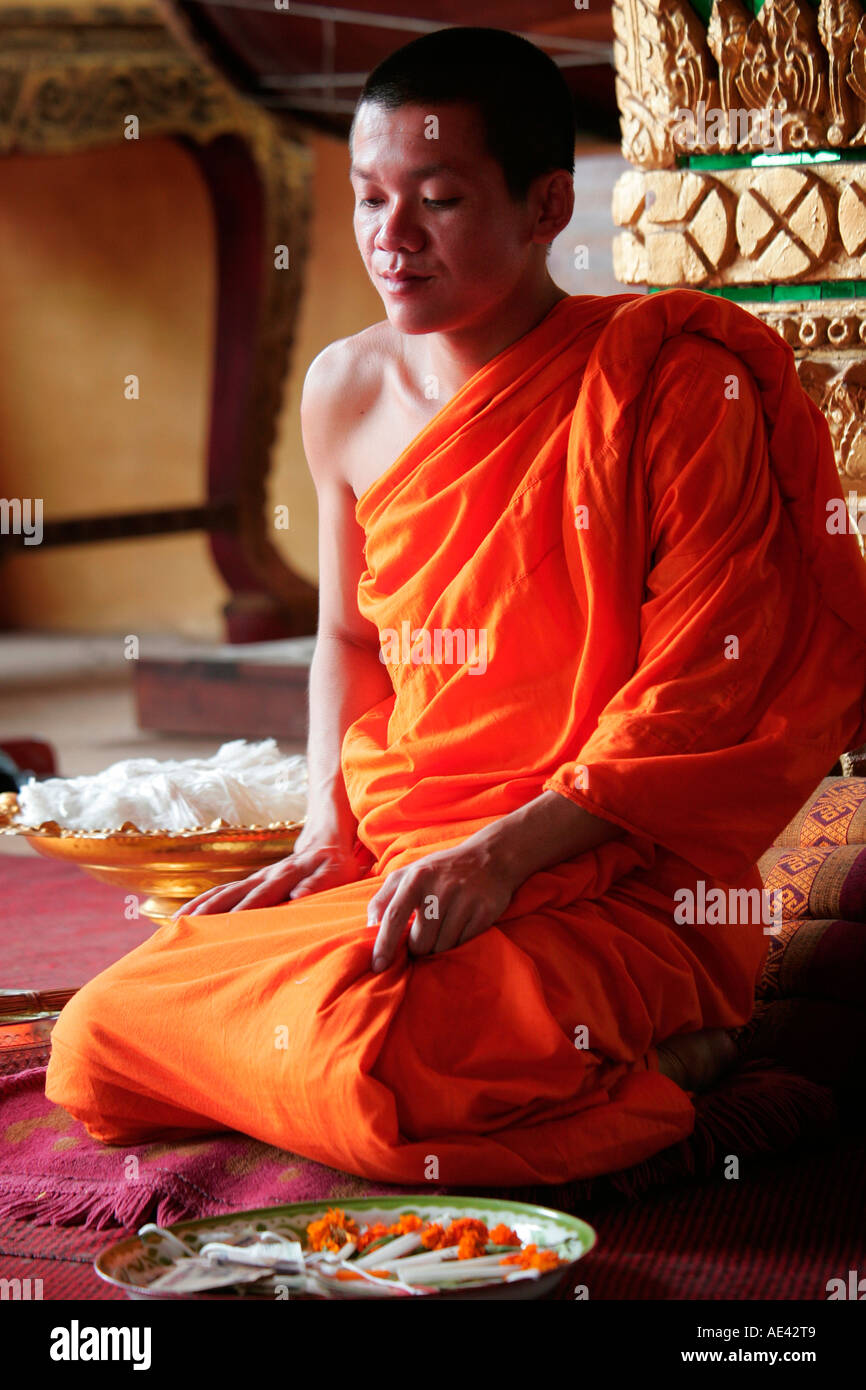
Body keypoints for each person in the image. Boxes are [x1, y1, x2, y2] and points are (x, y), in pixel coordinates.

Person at [45, 27, 866, 1185]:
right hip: (407, 856)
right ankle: (518, 1076)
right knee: (98, 1041)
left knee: (371, 1066)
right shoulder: (345, 390)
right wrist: (329, 830)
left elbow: (702, 682)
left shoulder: (670, 383)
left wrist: (505, 852)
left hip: (610, 875)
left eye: (435, 200)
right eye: (369, 198)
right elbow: (347, 635)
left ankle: (679, 1057)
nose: (391, 238)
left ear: (543, 206)